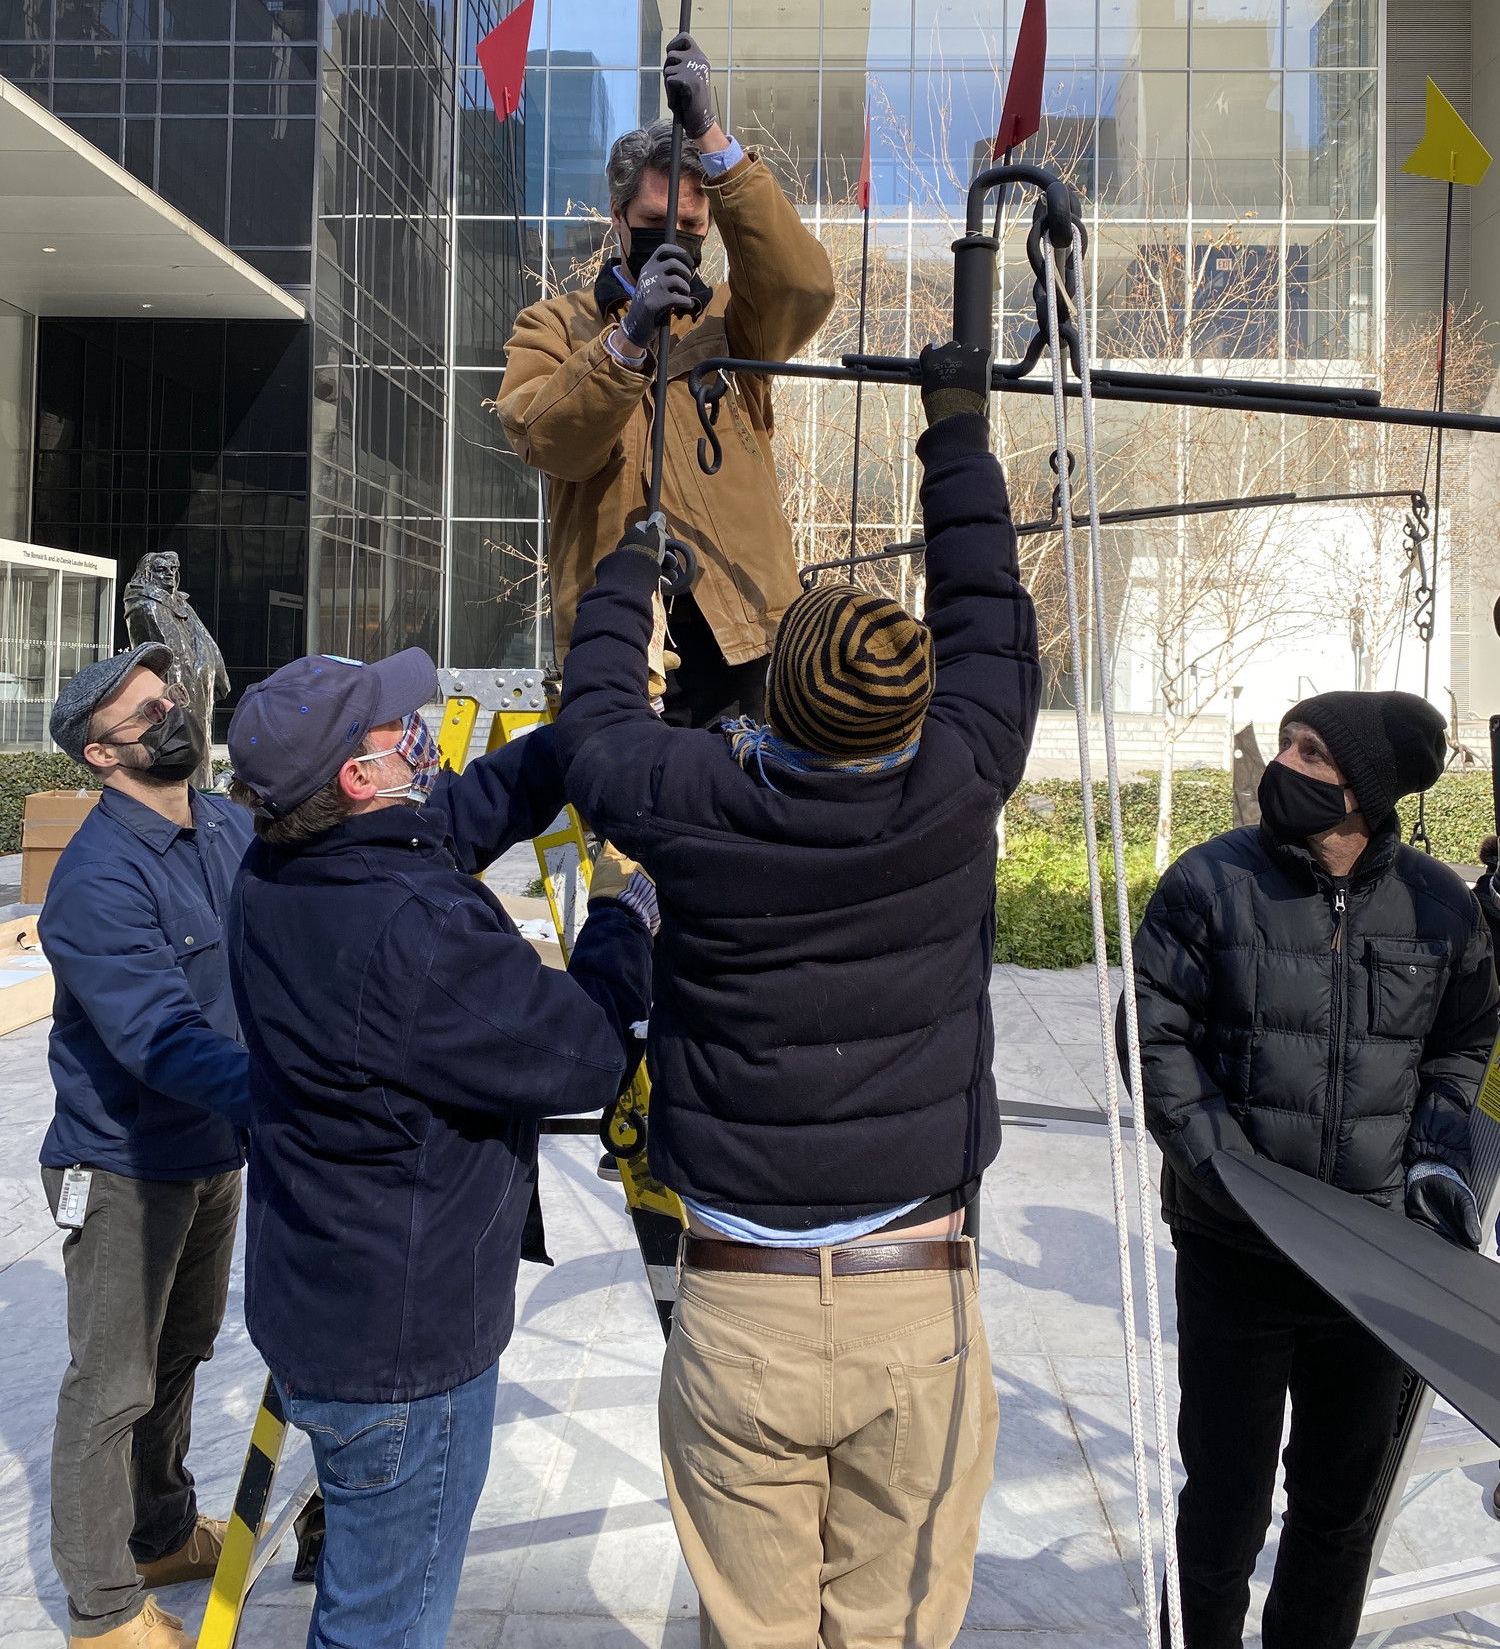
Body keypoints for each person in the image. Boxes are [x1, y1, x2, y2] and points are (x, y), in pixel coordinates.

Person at [551, 341, 1041, 1649]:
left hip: (739, 1300)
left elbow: (594, 722)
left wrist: (634, 575)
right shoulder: (959, 786)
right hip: (917, 1293)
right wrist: (956, 431)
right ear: (917, 713)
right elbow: (990, 614)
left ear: (776, 700)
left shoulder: (694, 804)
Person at [224, 649, 655, 1649]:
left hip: (325, 1297)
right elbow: (584, 1050)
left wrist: (574, 737)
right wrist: (625, 913)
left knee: (375, 1596)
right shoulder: (409, 932)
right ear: (359, 779)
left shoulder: (283, 865)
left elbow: (455, 818)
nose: (418, 730)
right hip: (402, 1352)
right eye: (390, 726)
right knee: (384, 1622)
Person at [1128, 692, 1499, 1649]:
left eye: (1311, 752)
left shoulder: (1440, 907)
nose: (1283, 763)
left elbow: (1463, 1043)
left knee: (1336, 1518)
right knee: (1223, 1505)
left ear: (1363, 796)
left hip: (1372, 1269)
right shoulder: (1207, 884)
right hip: (1235, 1253)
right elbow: (1155, 1040)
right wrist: (1231, 1177)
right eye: (1287, 742)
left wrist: (1436, 1156)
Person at [497, 33, 836, 727]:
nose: (675, 239)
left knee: (750, 819)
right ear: (617, 219)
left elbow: (805, 285)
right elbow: (547, 439)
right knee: (634, 826)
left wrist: (711, 133)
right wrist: (627, 339)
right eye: (655, 223)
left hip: (748, 635)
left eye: (691, 224)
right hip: (623, 650)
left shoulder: (732, 323)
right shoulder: (555, 326)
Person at [39, 643, 254, 1649]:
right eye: (148, 710)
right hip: (121, 1162)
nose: (174, 714)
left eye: (170, 698)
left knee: (181, 1351)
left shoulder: (223, 826)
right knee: (111, 1381)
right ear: (102, 750)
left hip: (212, 1149)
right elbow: (160, 1035)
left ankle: (161, 1530)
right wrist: (292, 1100)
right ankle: (102, 1608)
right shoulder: (94, 878)